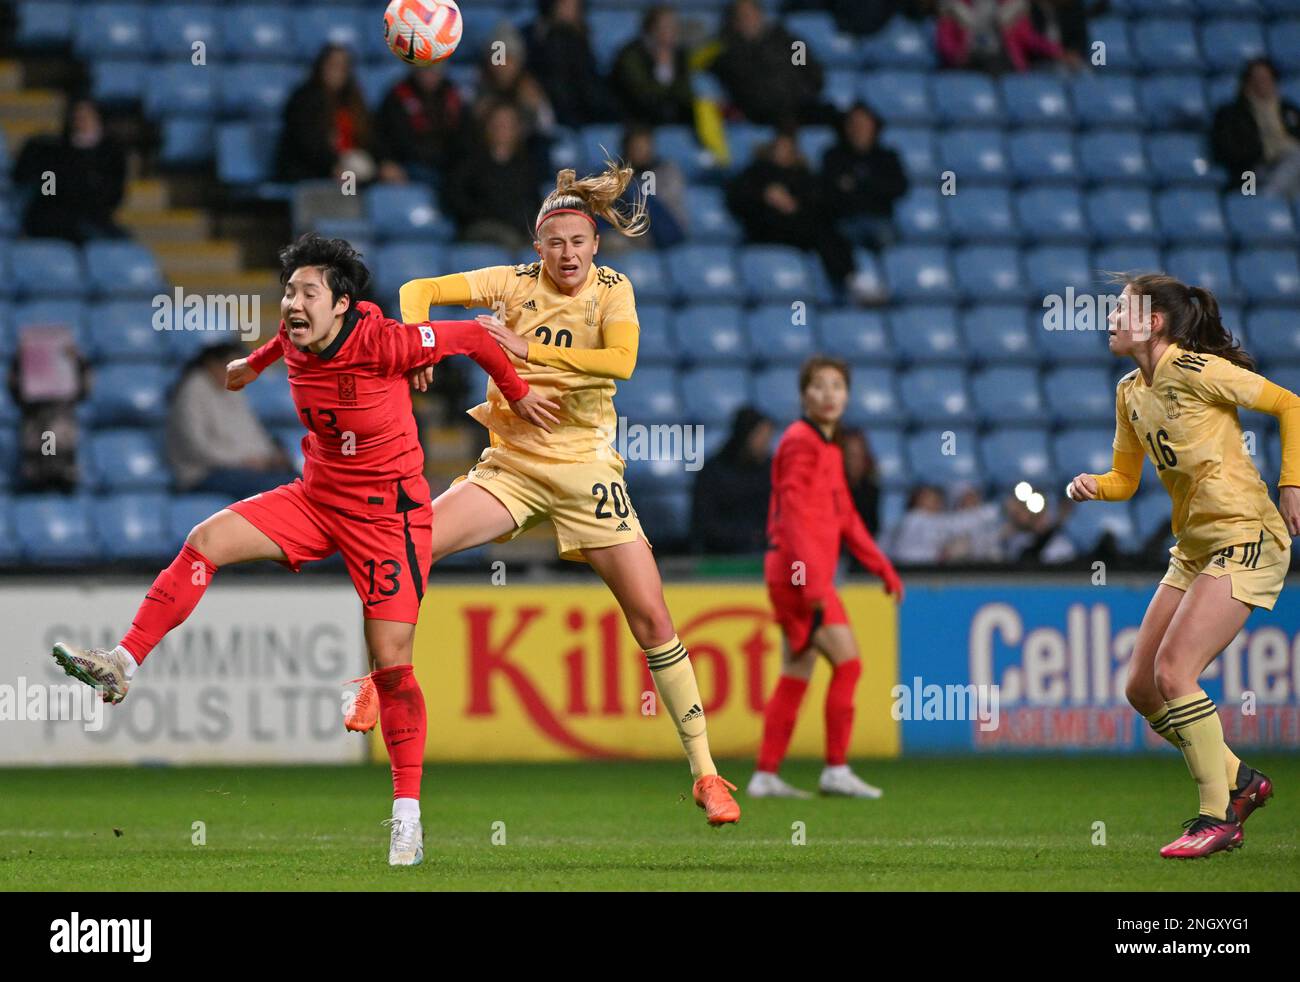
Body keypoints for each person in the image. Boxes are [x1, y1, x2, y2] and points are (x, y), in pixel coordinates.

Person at [50, 234, 552, 868]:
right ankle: (123, 661)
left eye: (307, 292)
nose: (292, 302)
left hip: (385, 518)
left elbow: (477, 340)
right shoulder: (293, 334)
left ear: (340, 305)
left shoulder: (384, 342)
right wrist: (249, 368)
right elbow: (278, 345)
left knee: (393, 668)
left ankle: (407, 817)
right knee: (204, 540)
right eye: (289, 291)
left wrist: (518, 392)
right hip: (315, 498)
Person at [397, 161, 744, 826]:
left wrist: (523, 353)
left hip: (587, 470)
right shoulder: (509, 284)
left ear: (595, 246)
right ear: (537, 247)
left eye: (578, 242)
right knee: (408, 546)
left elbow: (622, 363)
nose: (567, 254)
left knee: (652, 619)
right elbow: (418, 288)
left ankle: (706, 774)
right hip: (513, 466)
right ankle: (374, 682)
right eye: (554, 243)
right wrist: (417, 342)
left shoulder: (615, 291)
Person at [1066, 273, 1299, 859]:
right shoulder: (1129, 391)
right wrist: (1097, 485)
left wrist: (1292, 482)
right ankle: (1242, 781)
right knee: (1142, 688)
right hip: (1194, 548)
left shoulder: (1196, 371)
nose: (1111, 318)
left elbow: (1288, 403)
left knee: (1175, 672)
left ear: (1155, 323)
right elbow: (1127, 479)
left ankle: (1216, 816)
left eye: (1121, 309)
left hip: (1246, 534)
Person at [750, 357, 903, 799]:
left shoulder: (830, 447)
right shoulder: (801, 441)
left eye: (838, 386)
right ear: (804, 395)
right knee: (848, 664)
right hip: (800, 575)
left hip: (800, 573)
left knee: (797, 669)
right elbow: (794, 513)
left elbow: (845, 517)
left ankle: (765, 774)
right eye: (819, 386)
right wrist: (812, 584)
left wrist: (881, 565)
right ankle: (835, 769)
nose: (830, 394)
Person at [726, 129, 855, 294]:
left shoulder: (804, 177)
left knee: (830, 232)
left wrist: (794, 204)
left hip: (800, 229)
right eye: (779, 147)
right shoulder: (756, 172)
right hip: (765, 228)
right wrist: (764, 194)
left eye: (788, 148)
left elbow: (821, 203)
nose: (783, 152)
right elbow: (736, 196)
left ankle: (849, 279)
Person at [167, 342, 298, 501]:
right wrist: (244, 461)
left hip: (244, 469)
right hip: (204, 474)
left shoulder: (232, 388)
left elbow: (252, 432)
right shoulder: (191, 391)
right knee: (280, 487)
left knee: (300, 480)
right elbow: (197, 447)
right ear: (212, 364)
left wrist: (269, 456)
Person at [276, 45, 402, 184]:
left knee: (375, 172)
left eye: (343, 67)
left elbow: (371, 137)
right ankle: (349, 200)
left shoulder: (353, 102)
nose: (337, 72)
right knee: (350, 175)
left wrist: (384, 162)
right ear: (321, 67)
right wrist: (332, 165)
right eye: (333, 65)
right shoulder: (304, 100)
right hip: (313, 170)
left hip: (350, 166)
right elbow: (306, 143)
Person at [12, 97, 126, 243]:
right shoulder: (53, 150)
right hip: (55, 220)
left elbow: (112, 193)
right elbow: (47, 188)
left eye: (87, 116)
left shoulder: (111, 153)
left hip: (91, 219)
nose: (81, 120)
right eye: (77, 116)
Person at [710, 0, 828, 126]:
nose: (747, 20)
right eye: (741, 16)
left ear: (761, 15)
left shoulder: (792, 43)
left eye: (751, 14)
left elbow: (813, 74)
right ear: (733, 21)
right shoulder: (725, 53)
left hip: (799, 109)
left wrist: (800, 96)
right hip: (758, 114)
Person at [447, 101, 543, 249]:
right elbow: (456, 198)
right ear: (487, 126)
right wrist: (484, 213)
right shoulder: (470, 162)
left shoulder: (527, 166)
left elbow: (533, 201)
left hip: (519, 227)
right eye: (497, 123)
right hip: (481, 226)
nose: (502, 129)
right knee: (512, 242)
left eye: (508, 124)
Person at [821, 103, 908, 252]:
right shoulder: (834, 156)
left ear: (874, 127)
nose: (858, 129)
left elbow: (899, 187)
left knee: (888, 243)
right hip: (845, 221)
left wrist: (858, 184)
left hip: (880, 220)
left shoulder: (887, 157)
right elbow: (830, 190)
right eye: (853, 124)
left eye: (863, 124)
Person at [1210, 58, 1300, 199]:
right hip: (1250, 171)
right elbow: (1227, 149)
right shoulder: (1232, 113)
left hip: (1288, 165)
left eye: (1266, 78)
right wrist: (1266, 151)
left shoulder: (1289, 110)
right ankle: (1267, 200)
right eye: (1257, 78)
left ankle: (1272, 206)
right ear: (1247, 82)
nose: (1262, 83)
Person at [689, 406, 773, 554]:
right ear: (744, 436)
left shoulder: (771, 471)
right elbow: (705, 524)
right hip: (722, 554)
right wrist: (748, 536)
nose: (765, 445)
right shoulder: (713, 472)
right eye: (760, 438)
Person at [376, 63, 467, 186]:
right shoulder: (397, 96)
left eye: (435, 70)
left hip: (449, 165)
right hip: (411, 164)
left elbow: (465, 136)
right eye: (425, 70)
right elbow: (385, 136)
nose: (429, 75)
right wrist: (386, 161)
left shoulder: (453, 95)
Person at [524, 0, 610, 127]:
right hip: (551, 107)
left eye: (575, 4)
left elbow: (590, 82)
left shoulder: (583, 39)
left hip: (585, 109)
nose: (571, 9)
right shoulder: (532, 35)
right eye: (565, 3)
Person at [609, 5, 696, 127]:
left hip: (671, 113)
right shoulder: (631, 54)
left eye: (674, 26)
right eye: (665, 26)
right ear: (651, 28)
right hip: (635, 114)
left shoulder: (680, 55)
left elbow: (685, 92)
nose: (672, 31)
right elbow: (640, 93)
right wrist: (663, 69)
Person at [936, 0, 1069, 73]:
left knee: (1065, 71)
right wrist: (956, 56)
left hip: (1005, 61)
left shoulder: (1011, 6)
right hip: (967, 61)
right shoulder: (953, 6)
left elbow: (1028, 38)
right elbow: (945, 40)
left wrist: (1058, 52)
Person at [888, 484, 951, 564]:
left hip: (938, 566)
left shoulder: (944, 518)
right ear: (918, 500)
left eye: (936, 498)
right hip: (913, 566)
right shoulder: (912, 518)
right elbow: (904, 550)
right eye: (928, 497)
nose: (934, 500)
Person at [840, 427, 881, 536]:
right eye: (851, 456)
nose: (855, 462)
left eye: (860, 456)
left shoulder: (872, 492)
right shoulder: (829, 490)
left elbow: (872, 530)